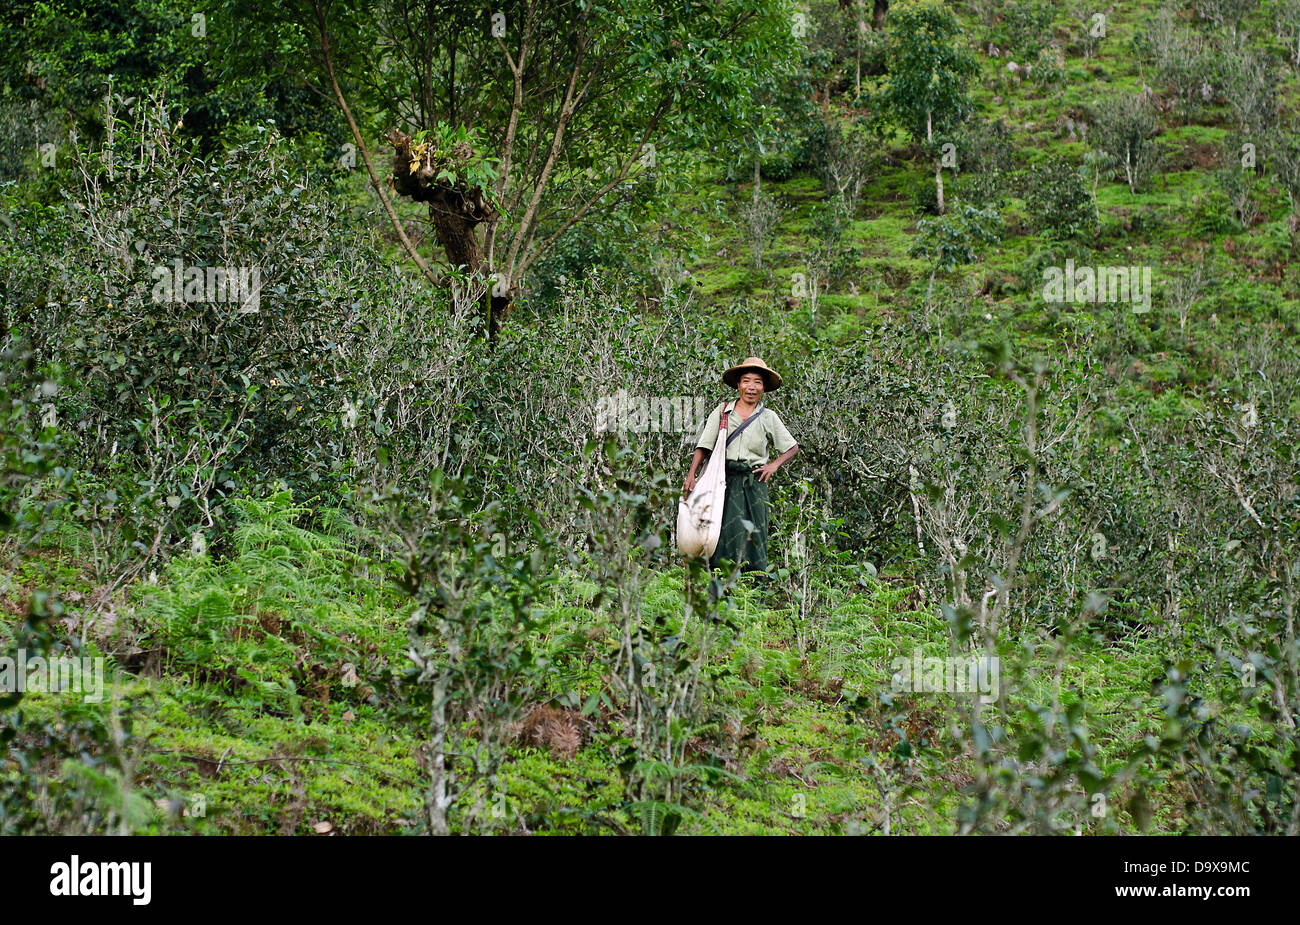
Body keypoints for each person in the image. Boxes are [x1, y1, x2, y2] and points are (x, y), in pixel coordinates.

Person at [682, 357, 798, 574]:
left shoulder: (768, 417)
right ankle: (720, 588)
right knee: (720, 535)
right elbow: (704, 446)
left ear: (763, 388)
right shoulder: (722, 412)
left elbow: (791, 447)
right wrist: (691, 475)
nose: (751, 387)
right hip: (723, 483)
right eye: (746, 381)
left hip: (754, 484)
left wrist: (773, 466)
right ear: (738, 385)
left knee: (754, 537)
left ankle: (752, 592)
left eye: (757, 382)